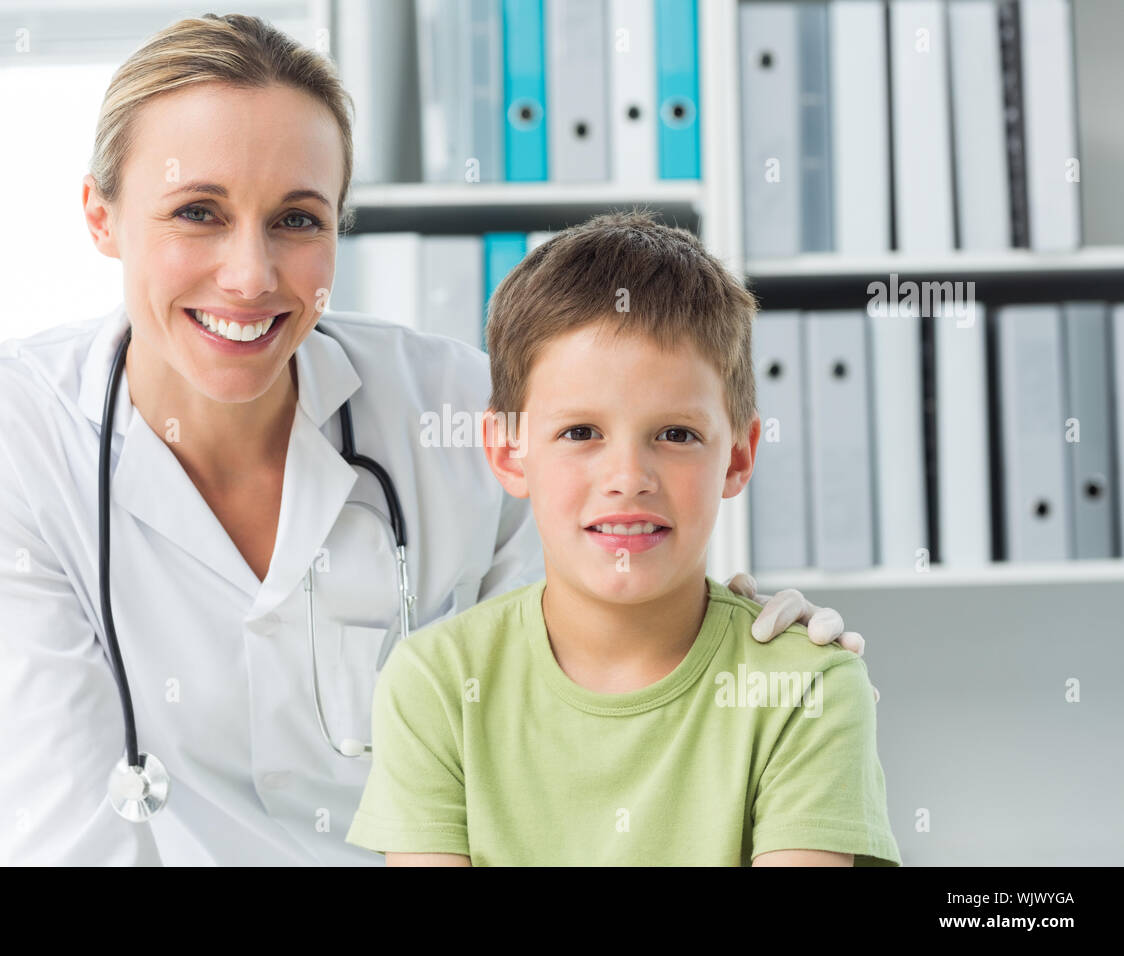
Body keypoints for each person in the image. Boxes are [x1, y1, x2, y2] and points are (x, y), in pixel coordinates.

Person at [0, 14, 871, 866]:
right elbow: (43, 843)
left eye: (298, 219)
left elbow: (582, 712)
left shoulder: (453, 410)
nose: (250, 275)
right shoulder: (13, 445)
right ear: (102, 216)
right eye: (197, 212)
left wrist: (722, 632)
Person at [344, 211, 901, 866]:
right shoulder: (435, 685)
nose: (628, 479)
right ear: (508, 451)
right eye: (581, 432)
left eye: (676, 434)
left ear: (740, 457)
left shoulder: (807, 688)